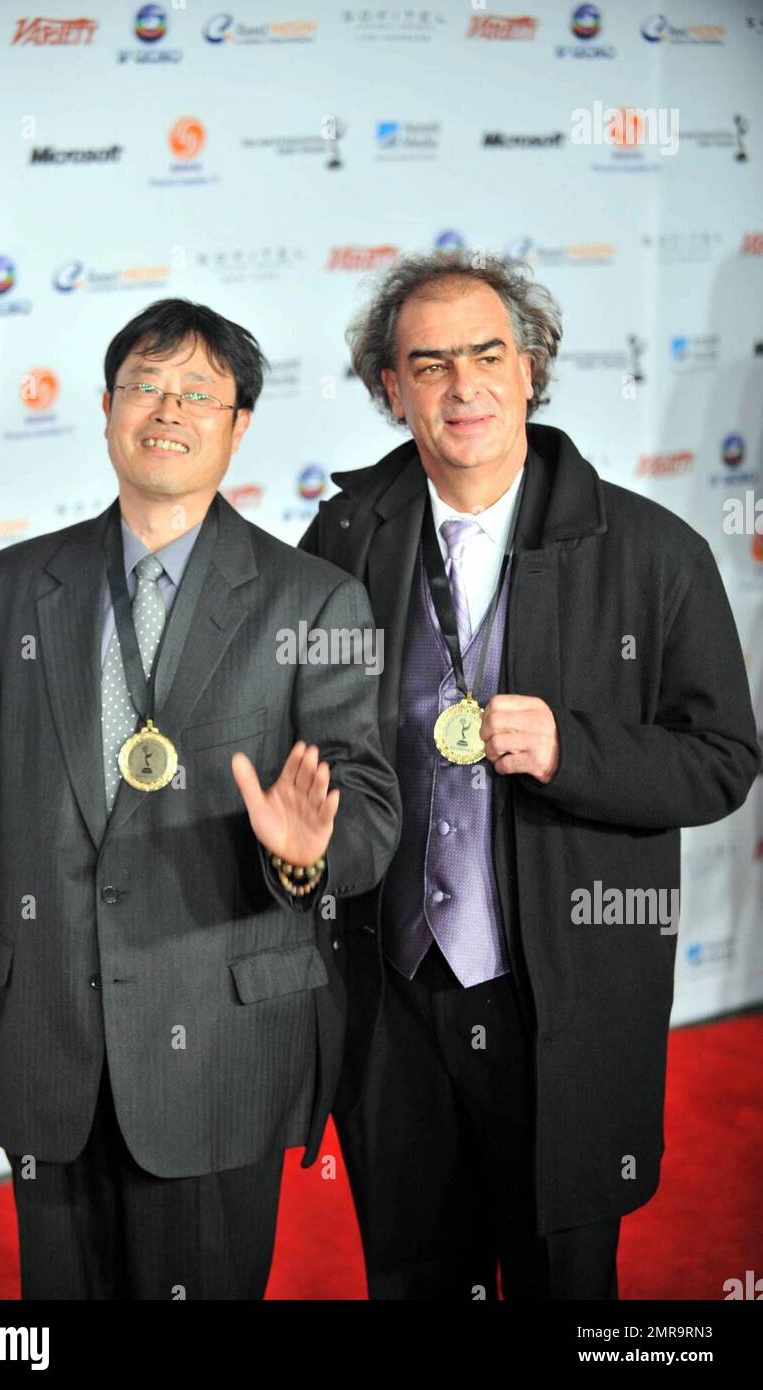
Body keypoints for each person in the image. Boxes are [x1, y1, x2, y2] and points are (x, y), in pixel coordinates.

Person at [0, 297, 401, 1301]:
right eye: (144, 383)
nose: (165, 407)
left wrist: (306, 850)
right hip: (46, 1027)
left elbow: (366, 809)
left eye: (197, 391)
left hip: (218, 1041)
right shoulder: (8, 588)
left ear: (238, 423)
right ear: (104, 409)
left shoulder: (311, 600)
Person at [296, 250, 760, 1299]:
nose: (461, 386)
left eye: (486, 354)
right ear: (390, 387)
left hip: (562, 1013)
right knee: (412, 1279)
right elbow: (264, 703)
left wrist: (571, 748)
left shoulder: (651, 551)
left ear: (530, 367)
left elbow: (723, 760)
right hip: (393, 1005)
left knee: (562, 1285)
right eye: (428, 363)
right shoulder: (342, 536)